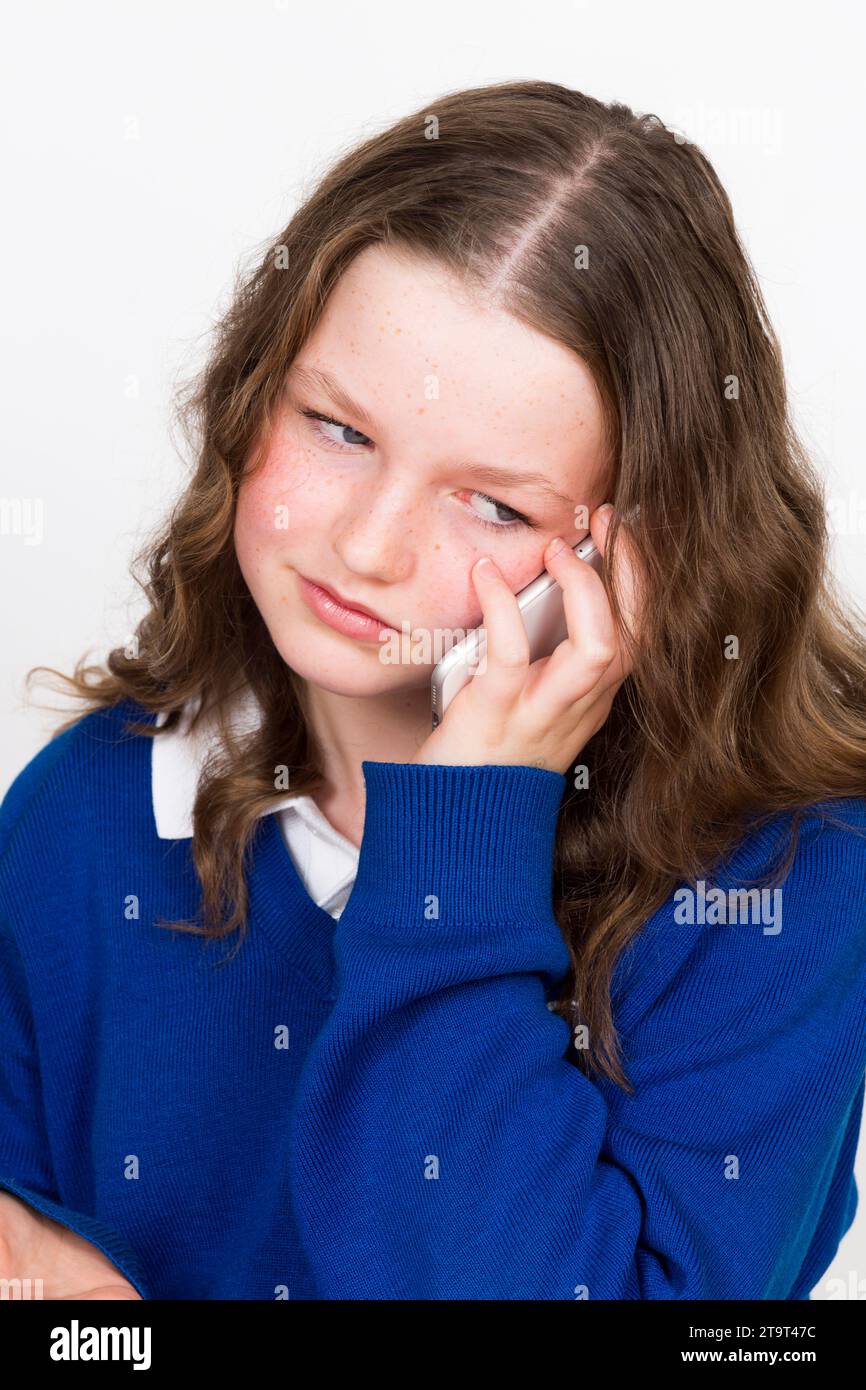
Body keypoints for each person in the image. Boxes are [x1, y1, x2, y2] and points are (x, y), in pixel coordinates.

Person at [2, 80, 865, 1301]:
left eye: (494, 503)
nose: (365, 545)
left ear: (644, 559)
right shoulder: (86, 810)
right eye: (337, 429)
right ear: (257, 386)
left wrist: (459, 839)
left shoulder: (783, 883)